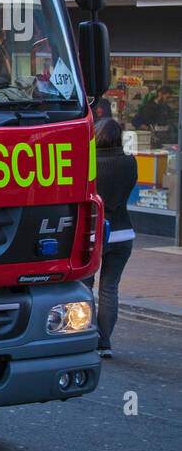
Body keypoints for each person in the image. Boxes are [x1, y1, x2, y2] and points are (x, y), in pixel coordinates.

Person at [94, 117, 136, 359]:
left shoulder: (88, 163)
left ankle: (86, 336)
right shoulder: (130, 163)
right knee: (110, 288)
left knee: (84, 287)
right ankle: (104, 342)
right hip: (122, 233)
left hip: (95, 233)